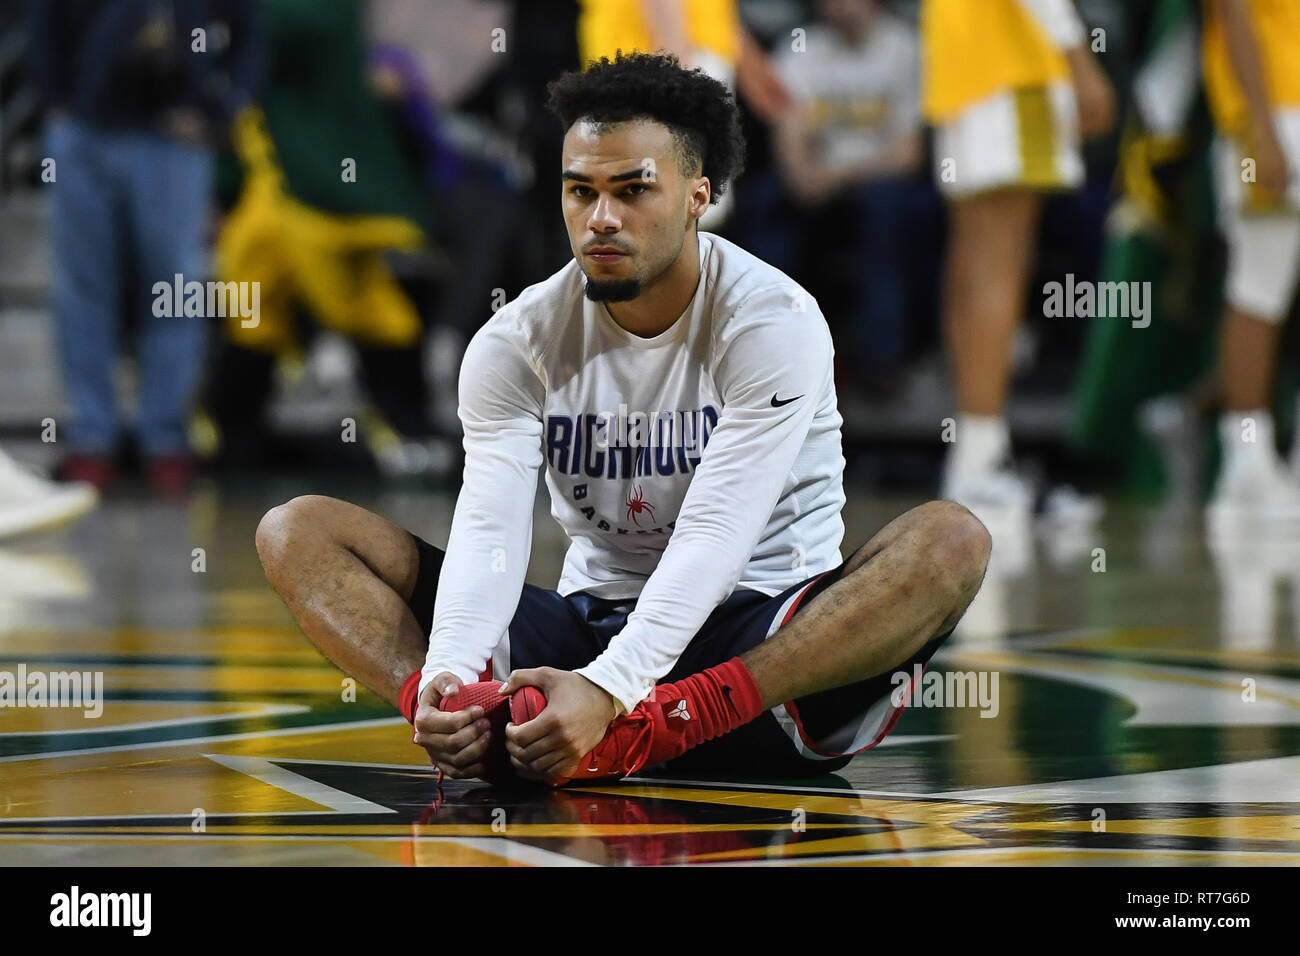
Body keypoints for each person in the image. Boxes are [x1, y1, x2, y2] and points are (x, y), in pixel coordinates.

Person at [256, 53, 991, 785]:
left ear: (698, 195)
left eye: (633, 190)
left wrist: (618, 695)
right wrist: (447, 673)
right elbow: (489, 530)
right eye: (581, 192)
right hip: (590, 630)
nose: (602, 218)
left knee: (952, 541)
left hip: (757, 653)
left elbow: (715, 537)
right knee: (297, 531)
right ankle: (455, 722)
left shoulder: (772, 320)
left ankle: (654, 729)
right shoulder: (516, 341)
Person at [28, 0, 264, 495]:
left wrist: (218, 112)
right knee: (82, 292)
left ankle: (166, 441)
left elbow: (250, 36)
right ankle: (92, 439)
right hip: (83, 131)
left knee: (175, 292)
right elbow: (44, 21)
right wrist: (56, 102)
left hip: (174, 142)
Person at [922, 0, 1114, 520]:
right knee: (997, 269)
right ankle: (980, 464)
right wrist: (1079, 57)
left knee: (971, 266)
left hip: (965, 72)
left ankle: (976, 457)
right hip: (1013, 69)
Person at [1201, 0, 1300, 527]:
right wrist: (1260, 125)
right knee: (1258, 287)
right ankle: (1245, 460)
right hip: (1279, 114)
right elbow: (1231, 10)